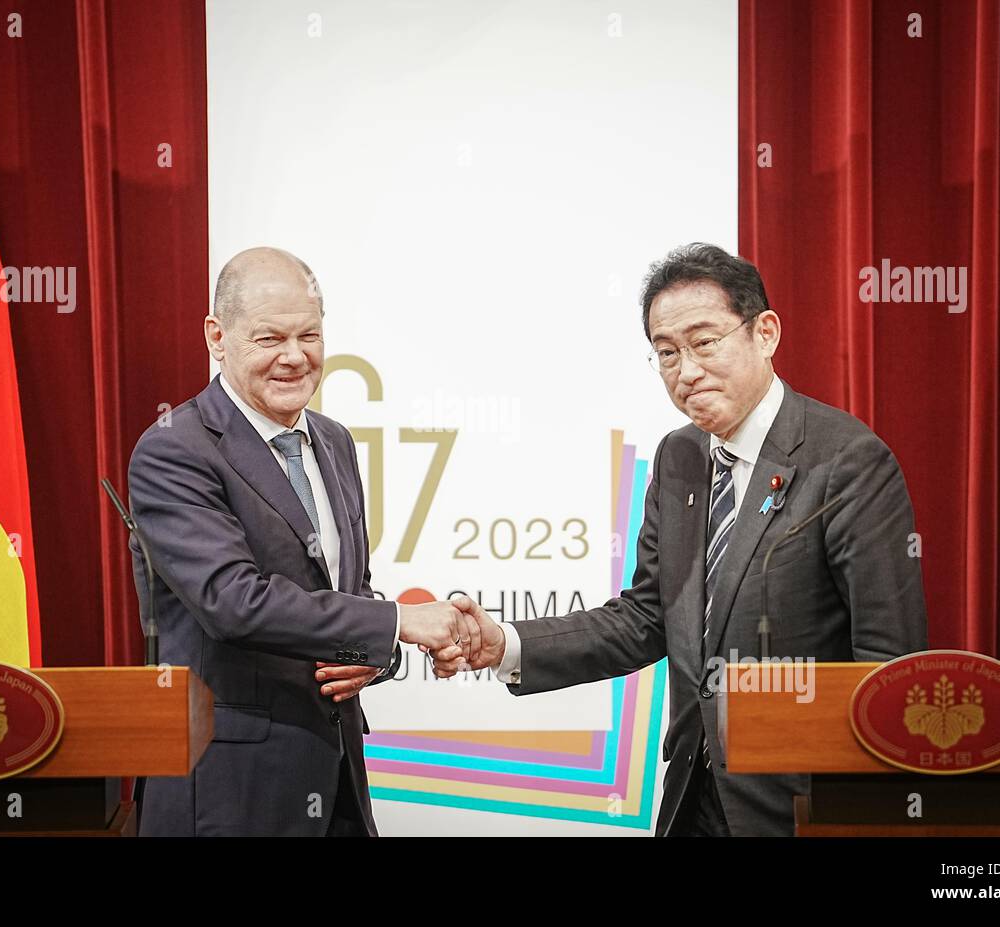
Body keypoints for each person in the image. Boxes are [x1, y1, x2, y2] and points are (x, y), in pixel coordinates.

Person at [434, 243, 928, 836]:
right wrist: (505, 644)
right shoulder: (680, 457)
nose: (686, 370)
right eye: (666, 353)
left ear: (764, 333)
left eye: (704, 342)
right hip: (694, 798)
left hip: (801, 810)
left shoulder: (846, 462)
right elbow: (646, 618)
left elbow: (890, 664)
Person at [127, 247, 480, 836]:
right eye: (269, 339)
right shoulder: (174, 449)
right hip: (229, 793)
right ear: (217, 336)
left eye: (309, 335)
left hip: (337, 777)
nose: (295, 358)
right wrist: (400, 623)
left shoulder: (334, 441)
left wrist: (375, 655)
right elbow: (233, 603)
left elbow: (351, 594)